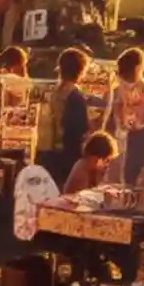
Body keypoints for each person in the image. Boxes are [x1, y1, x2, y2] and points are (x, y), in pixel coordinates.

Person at [35, 47, 91, 188]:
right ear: (81, 71)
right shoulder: (76, 97)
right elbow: (79, 129)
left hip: (47, 155)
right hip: (68, 157)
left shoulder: (51, 93)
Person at [109, 47, 144, 185]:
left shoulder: (142, 88)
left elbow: (140, 120)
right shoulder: (119, 85)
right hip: (125, 138)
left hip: (139, 138)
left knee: (136, 179)